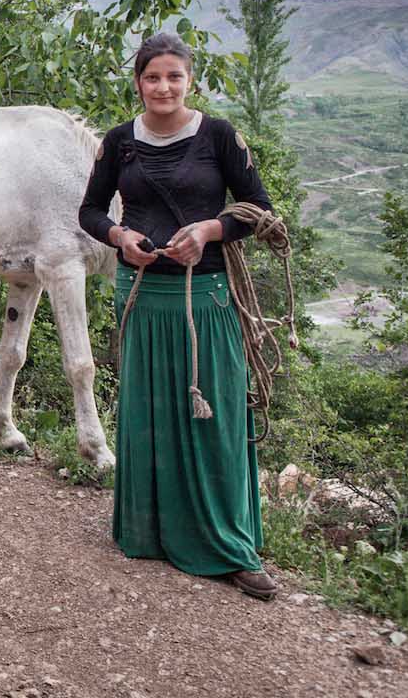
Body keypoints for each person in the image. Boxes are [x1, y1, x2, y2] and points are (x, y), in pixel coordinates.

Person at [78, 32, 279, 601]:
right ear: (138, 82)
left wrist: (211, 229)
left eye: (174, 76)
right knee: (149, 415)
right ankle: (149, 533)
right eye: (152, 77)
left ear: (190, 80)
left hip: (206, 298)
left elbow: (260, 210)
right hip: (142, 296)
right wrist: (120, 237)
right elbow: (90, 211)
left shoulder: (219, 137)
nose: (163, 87)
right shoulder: (119, 142)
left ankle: (230, 547)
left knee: (214, 418)